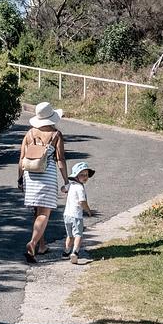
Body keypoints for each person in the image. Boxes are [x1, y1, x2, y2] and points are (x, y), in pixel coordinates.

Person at [17, 101, 68, 263]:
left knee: (37, 212)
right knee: (44, 213)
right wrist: (67, 180)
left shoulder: (30, 134)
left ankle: (42, 245)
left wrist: (20, 178)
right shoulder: (55, 135)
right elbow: (60, 160)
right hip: (47, 175)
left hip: (30, 175)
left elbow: (22, 159)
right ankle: (32, 244)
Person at [61, 161, 96, 264]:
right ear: (76, 176)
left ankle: (66, 252)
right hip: (76, 216)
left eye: (86, 175)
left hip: (67, 215)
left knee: (70, 235)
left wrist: (66, 189)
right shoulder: (80, 188)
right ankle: (75, 252)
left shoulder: (71, 184)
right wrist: (88, 210)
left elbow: (63, 189)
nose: (85, 177)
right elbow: (82, 202)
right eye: (82, 175)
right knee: (78, 235)